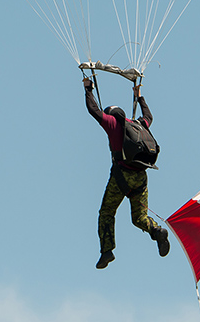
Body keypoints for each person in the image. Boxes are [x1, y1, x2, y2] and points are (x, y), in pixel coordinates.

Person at [83, 76, 171, 269]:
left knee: (106, 212)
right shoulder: (138, 125)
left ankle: (107, 251)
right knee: (139, 217)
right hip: (141, 177)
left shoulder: (113, 124)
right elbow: (149, 116)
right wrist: (139, 97)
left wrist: (88, 89)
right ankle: (157, 232)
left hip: (121, 177)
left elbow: (94, 111)